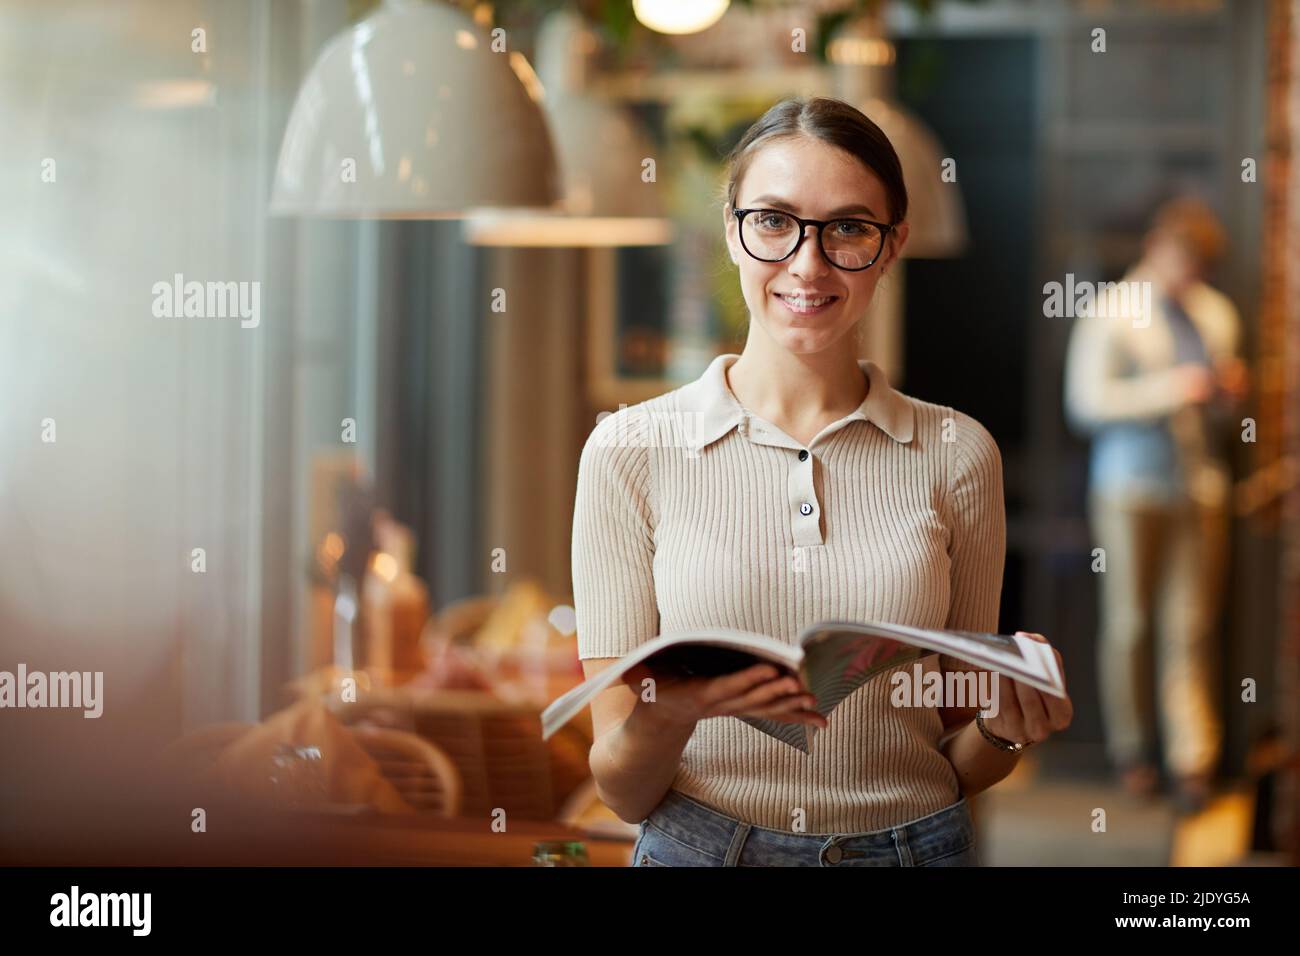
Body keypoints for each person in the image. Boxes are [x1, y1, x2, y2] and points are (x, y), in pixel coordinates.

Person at [571, 97, 1072, 867]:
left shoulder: (958, 453)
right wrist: (667, 715)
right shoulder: (628, 450)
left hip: (914, 850)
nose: (808, 264)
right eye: (774, 221)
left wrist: (1008, 725)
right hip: (702, 847)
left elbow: (957, 761)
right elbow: (623, 791)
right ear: (731, 229)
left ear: (891, 244)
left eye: (847, 228)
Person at [1063, 197, 1247, 813]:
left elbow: (1222, 423)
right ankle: (1132, 749)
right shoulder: (1114, 312)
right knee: (1131, 623)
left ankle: (1193, 760)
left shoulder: (1216, 315)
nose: (1187, 277)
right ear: (1156, 248)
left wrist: (1224, 397)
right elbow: (1085, 405)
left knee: (1190, 628)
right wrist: (1172, 390)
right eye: (1182, 261)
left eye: (1199, 267)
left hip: (1198, 487)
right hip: (1128, 488)